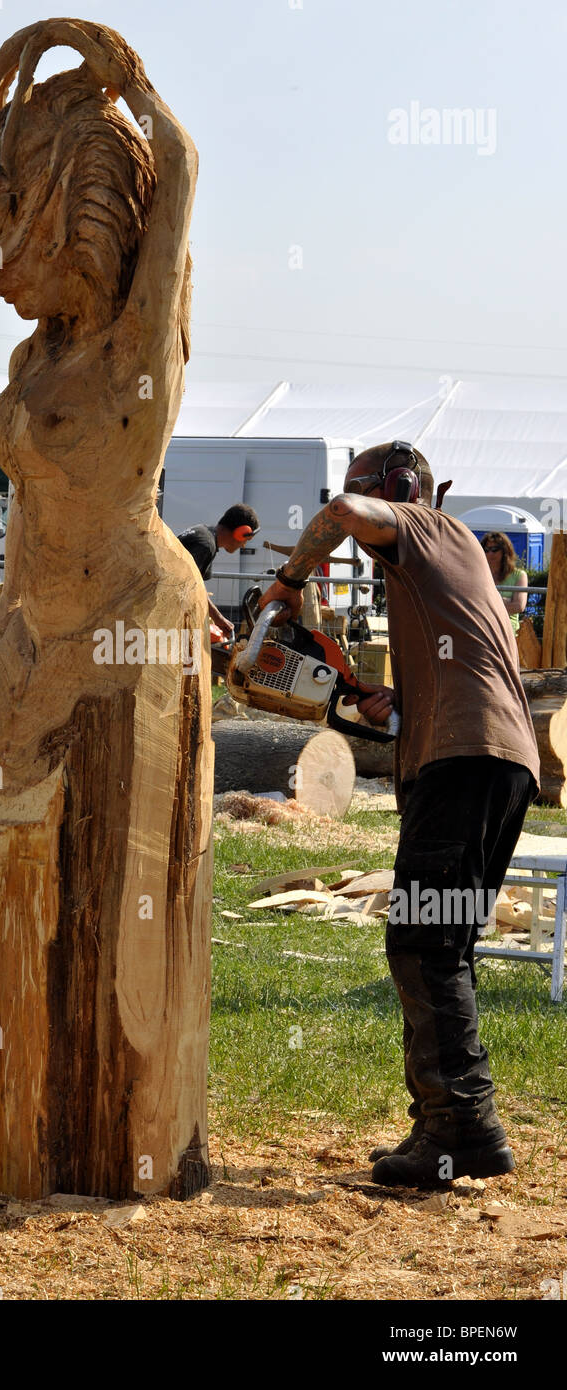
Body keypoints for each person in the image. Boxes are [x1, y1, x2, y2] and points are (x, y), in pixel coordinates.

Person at [258, 441, 540, 1188]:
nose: (357, 529)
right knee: (440, 939)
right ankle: (451, 1124)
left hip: (467, 760)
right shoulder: (441, 570)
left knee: (423, 938)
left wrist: (288, 584)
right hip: (488, 758)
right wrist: (394, 703)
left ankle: (463, 1128)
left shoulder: (428, 527)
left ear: (402, 490)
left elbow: (345, 512)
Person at [177, 503, 260, 641]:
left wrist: (218, 619)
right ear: (240, 533)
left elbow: (198, 586)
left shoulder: (204, 533)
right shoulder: (205, 545)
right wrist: (218, 618)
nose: (244, 545)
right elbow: (189, 586)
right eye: (246, 539)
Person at [481, 531, 528, 633]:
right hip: (482, 630)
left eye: (494, 549)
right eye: (486, 550)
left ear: (505, 551)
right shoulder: (478, 573)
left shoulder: (519, 575)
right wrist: (504, 601)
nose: (490, 553)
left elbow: (519, 606)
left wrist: (488, 604)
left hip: (508, 632)